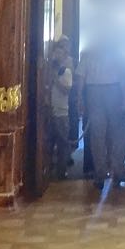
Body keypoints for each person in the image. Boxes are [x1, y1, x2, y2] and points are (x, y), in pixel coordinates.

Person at [75, 16, 125, 189]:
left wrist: (80, 98)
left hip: (96, 92)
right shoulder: (115, 52)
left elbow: (80, 78)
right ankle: (116, 171)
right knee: (115, 134)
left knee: (100, 135)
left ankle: (102, 173)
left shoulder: (89, 53)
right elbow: (123, 78)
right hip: (110, 91)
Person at [47, 37, 74, 179]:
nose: (56, 56)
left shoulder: (66, 72)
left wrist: (55, 81)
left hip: (62, 111)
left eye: (59, 53)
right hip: (50, 110)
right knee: (49, 142)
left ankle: (61, 171)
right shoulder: (48, 72)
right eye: (55, 53)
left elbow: (67, 90)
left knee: (62, 143)